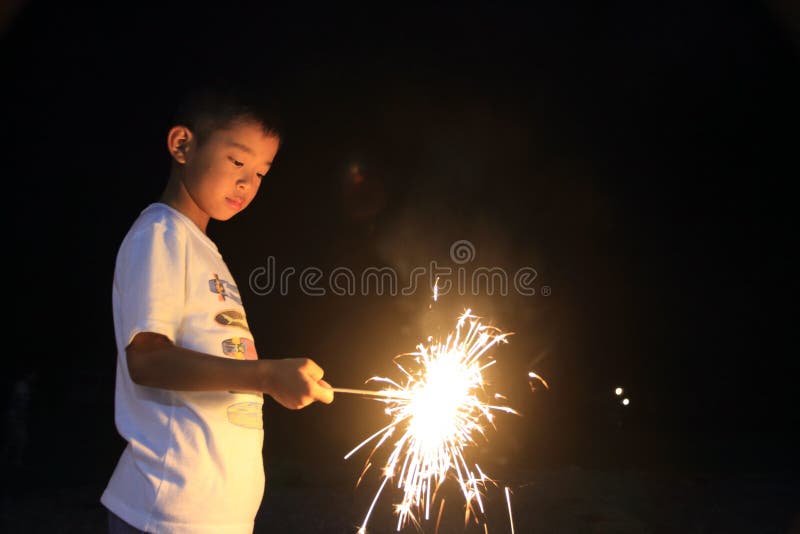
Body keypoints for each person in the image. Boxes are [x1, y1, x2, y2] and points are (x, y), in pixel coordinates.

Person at [100, 81, 334, 534]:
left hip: (215, 518)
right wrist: (266, 376)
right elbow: (146, 360)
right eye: (237, 161)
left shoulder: (206, 252)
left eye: (262, 172)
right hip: (166, 514)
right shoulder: (161, 234)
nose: (248, 182)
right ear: (182, 145)